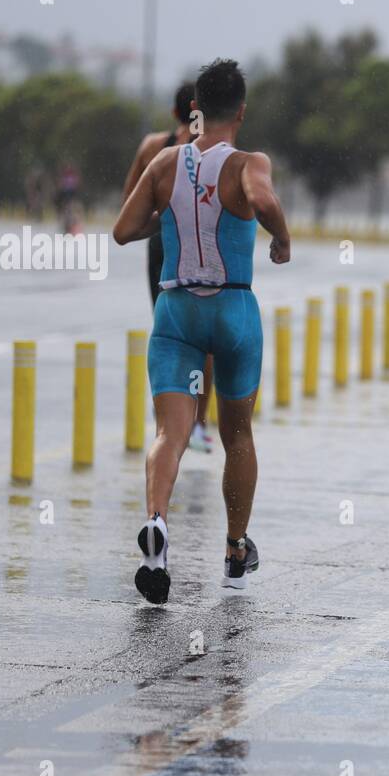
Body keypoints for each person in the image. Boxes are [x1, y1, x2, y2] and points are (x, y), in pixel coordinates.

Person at [112, 59, 291, 603]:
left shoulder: (166, 161)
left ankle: (157, 523)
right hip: (233, 310)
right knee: (237, 433)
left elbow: (122, 230)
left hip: (176, 309)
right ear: (240, 110)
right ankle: (235, 553)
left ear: (195, 111)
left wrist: (164, 219)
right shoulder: (248, 161)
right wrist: (281, 237)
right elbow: (261, 200)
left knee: (172, 432)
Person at [121, 83, 215, 453]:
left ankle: (172, 422)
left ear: (176, 113)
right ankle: (196, 422)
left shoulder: (152, 149)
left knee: (169, 332)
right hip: (197, 249)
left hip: (161, 246)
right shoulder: (211, 152)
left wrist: (160, 211)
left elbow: (129, 202)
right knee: (203, 340)